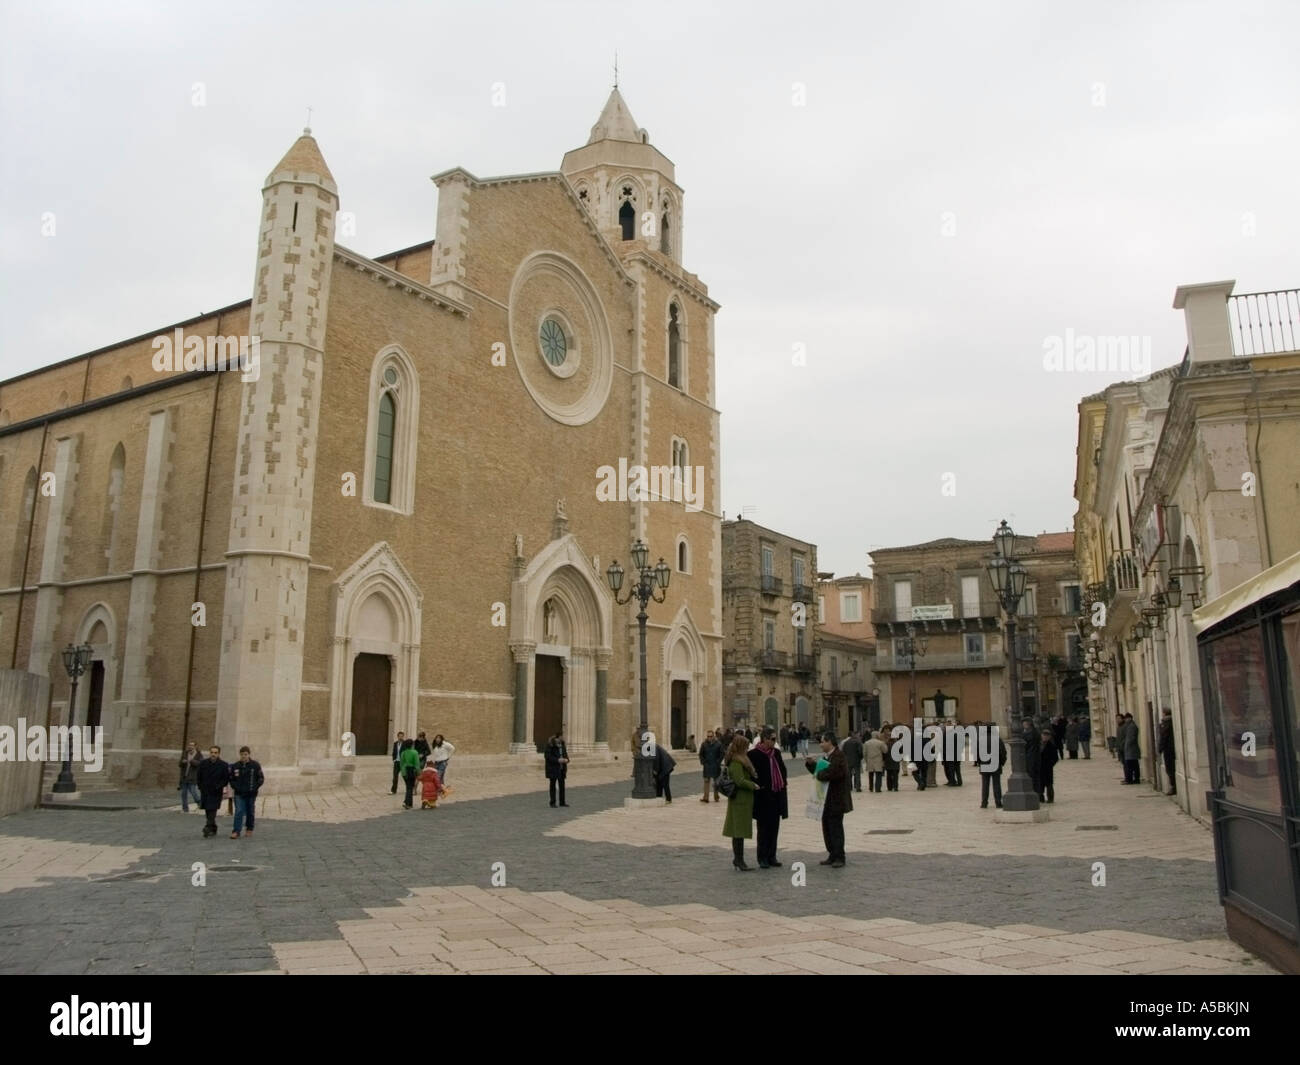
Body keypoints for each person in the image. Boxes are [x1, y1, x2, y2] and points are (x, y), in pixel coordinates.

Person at [806, 732, 851, 867]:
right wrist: (811, 764)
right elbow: (820, 771)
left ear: (830, 742)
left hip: (836, 799)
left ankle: (839, 856)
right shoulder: (827, 756)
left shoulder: (838, 756)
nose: (820, 744)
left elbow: (833, 773)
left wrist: (820, 774)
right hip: (826, 799)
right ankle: (832, 853)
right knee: (827, 827)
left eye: (823, 742)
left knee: (835, 827)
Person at [749, 728, 788, 868]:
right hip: (762, 797)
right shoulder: (753, 754)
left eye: (775, 739)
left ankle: (772, 856)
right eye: (772, 739)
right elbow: (751, 775)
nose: (774, 741)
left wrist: (781, 784)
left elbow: (783, 771)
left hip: (776, 795)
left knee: (774, 828)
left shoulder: (776, 753)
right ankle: (762, 857)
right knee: (763, 829)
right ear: (764, 739)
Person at [722, 734, 759, 871]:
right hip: (739, 800)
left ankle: (739, 859)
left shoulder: (742, 759)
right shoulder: (736, 762)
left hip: (743, 800)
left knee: (740, 831)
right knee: (738, 831)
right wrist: (752, 785)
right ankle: (738, 859)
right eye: (746, 745)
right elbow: (739, 780)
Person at [228, 745, 265, 838]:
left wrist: (254, 787)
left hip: (251, 793)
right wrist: (235, 787)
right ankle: (236, 831)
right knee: (239, 811)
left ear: (249, 754)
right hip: (239, 793)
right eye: (242, 754)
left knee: (250, 811)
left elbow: (261, 778)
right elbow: (231, 779)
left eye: (245, 754)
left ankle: (249, 828)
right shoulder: (236, 766)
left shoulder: (255, 765)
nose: (243, 756)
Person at [197, 745, 230, 839]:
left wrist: (218, 786)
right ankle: (213, 827)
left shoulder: (223, 765)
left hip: (216, 791)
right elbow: (199, 776)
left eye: (215, 753)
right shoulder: (203, 763)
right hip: (205, 791)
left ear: (218, 753)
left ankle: (207, 827)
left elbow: (225, 779)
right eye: (212, 752)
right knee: (208, 810)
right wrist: (200, 787)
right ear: (209, 753)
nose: (213, 754)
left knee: (213, 809)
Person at [980, 725, 1007, 809]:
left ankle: (984, 803)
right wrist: (1001, 763)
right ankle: (998, 802)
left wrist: (980, 762)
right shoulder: (998, 739)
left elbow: (976, 752)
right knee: (996, 784)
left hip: (984, 764)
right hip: (995, 764)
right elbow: (1003, 752)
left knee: (985, 785)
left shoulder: (981, 739)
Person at [545, 732, 569, 807]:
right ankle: (552, 802)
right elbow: (547, 757)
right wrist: (557, 760)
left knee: (562, 786)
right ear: (558, 737)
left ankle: (562, 802)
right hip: (553, 768)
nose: (563, 738)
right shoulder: (550, 745)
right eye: (562, 737)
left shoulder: (562, 745)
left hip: (562, 769)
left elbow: (565, 755)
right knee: (553, 785)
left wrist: (567, 760)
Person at [699, 729, 724, 803]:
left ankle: (716, 797)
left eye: (711, 736)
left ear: (713, 736)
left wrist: (718, 762)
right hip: (707, 765)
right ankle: (706, 797)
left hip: (715, 765)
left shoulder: (718, 744)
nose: (709, 737)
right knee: (706, 781)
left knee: (716, 782)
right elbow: (701, 754)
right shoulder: (704, 744)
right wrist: (703, 762)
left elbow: (722, 754)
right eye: (708, 736)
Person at [179, 741, 202, 812]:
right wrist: (182, 762)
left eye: (192, 745)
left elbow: (200, 764)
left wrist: (192, 761)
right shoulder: (185, 753)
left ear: (195, 746)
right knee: (183, 794)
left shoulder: (199, 754)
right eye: (189, 745)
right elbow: (179, 764)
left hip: (193, 777)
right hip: (184, 777)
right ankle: (185, 808)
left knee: (193, 792)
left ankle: (200, 803)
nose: (190, 746)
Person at [1158, 708, 1176, 795]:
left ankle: (1173, 787)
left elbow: (1163, 736)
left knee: (1170, 769)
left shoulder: (1166, 723)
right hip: (1171, 748)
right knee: (1171, 768)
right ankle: (1173, 786)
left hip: (1168, 749)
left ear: (1164, 714)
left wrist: (1160, 748)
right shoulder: (1172, 721)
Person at [1022, 717, 1041, 797]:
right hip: (1035, 757)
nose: (1023, 725)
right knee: (1035, 777)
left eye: (1024, 723)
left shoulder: (1029, 733)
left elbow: (1026, 745)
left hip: (1031, 758)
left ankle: (1034, 793)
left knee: (1032, 776)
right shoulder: (1035, 732)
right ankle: (1038, 794)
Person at [399, 738, 421, 809]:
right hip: (412, 771)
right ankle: (408, 803)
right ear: (412, 745)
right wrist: (419, 772)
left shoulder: (403, 753)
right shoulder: (415, 752)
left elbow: (401, 763)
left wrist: (402, 772)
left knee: (408, 787)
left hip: (404, 771)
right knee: (410, 788)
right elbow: (417, 764)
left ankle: (407, 801)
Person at [1039, 728, 1058, 803]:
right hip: (1040, 767)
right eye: (1044, 735)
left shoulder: (1052, 746)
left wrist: (1050, 764)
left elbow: (1055, 758)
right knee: (1040, 783)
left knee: (1049, 784)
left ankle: (1050, 798)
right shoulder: (1038, 744)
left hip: (1047, 768)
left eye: (1047, 735)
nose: (1045, 737)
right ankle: (1040, 798)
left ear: (1049, 737)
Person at [1122, 714, 1141, 784]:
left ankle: (1131, 779)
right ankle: (1134, 779)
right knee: (1133, 765)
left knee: (1131, 765)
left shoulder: (1132, 726)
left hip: (1131, 749)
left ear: (1129, 718)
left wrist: (1127, 745)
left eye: (1126, 718)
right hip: (1130, 749)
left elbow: (1131, 738)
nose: (1125, 720)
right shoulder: (1129, 726)